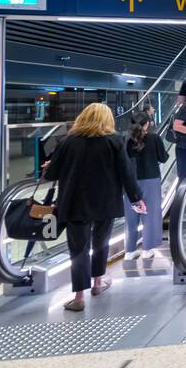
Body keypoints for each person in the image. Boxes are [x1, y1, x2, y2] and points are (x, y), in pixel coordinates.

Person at [41, 103, 143, 312]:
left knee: (78, 249)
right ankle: (98, 283)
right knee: (101, 242)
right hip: (105, 202)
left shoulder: (67, 142)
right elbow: (126, 173)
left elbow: (51, 175)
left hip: (75, 202)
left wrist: (50, 167)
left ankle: (78, 296)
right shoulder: (114, 141)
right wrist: (136, 198)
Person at [124, 114, 168, 260]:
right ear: (147, 124)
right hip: (150, 179)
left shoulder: (125, 140)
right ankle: (147, 249)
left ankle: (129, 251)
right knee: (150, 214)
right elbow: (163, 158)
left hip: (130, 181)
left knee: (131, 215)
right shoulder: (154, 138)